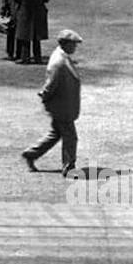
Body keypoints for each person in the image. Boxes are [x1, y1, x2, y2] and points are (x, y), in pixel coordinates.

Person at [22, 29, 83, 176]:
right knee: (70, 136)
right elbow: (51, 83)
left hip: (63, 105)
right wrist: (45, 95)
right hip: (61, 106)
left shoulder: (63, 57)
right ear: (66, 44)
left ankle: (31, 154)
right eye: (74, 44)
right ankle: (69, 167)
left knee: (55, 134)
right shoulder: (58, 62)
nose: (75, 47)